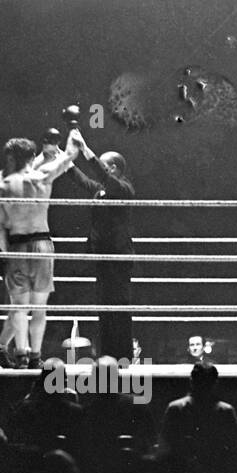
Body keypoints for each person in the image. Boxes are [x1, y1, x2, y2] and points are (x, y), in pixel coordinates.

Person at [0, 130, 78, 368]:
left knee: (19, 306)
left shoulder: (2, 187)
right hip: (43, 244)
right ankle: (36, 356)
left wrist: (10, 254)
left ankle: (21, 355)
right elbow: (69, 157)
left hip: (17, 246)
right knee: (39, 309)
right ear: (32, 156)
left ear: (11, 159)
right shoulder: (42, 178)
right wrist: (72, 137)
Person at [62, 133, 136, 359]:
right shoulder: (101, 189)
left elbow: (101, 176)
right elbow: (81, 179)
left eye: (104, 166)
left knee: (118, 306)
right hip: (102, 256)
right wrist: (62, 156)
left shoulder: (124, 189)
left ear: (113, 168)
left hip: (118, 256)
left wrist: (86, 150)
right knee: (103, 306)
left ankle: (122, 355)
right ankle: (107, 355)